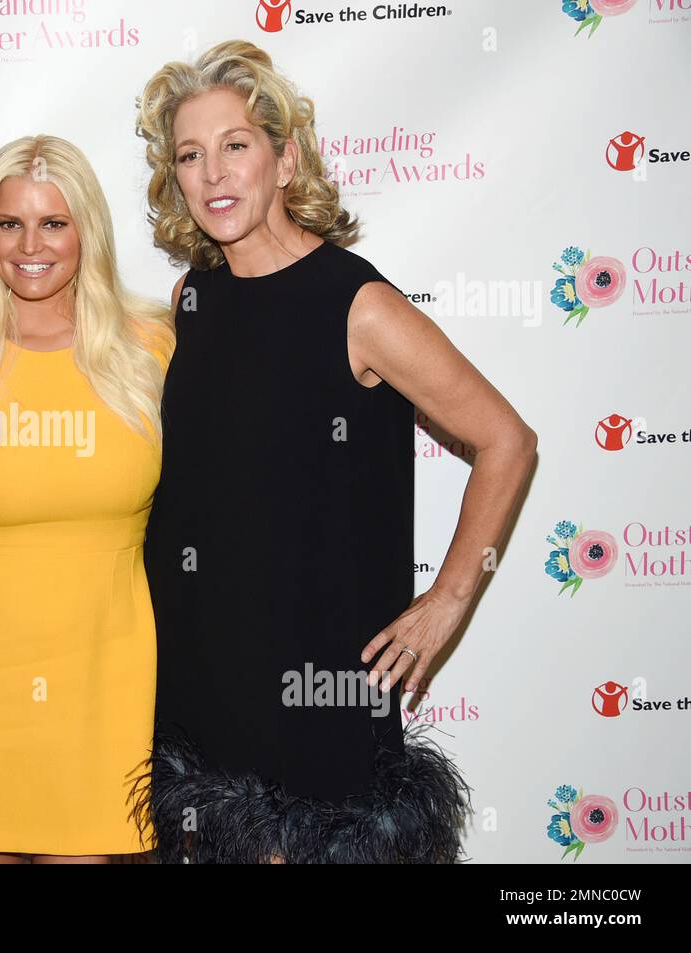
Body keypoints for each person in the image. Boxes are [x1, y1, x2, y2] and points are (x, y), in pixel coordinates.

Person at [132, 40, 537, 863]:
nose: (212, 174)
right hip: (196, 682)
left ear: (285, 161)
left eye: (235, 146)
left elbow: (508, 441)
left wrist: (450, 597)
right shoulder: (193, 299)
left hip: (319, 689)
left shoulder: (358, 305)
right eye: (190, 155)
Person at [0, 135, 174, 863]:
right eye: (9, 222)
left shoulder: (153, 350)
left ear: (88, 231)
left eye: (53, 222)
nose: (30, 245)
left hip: (107, 683)